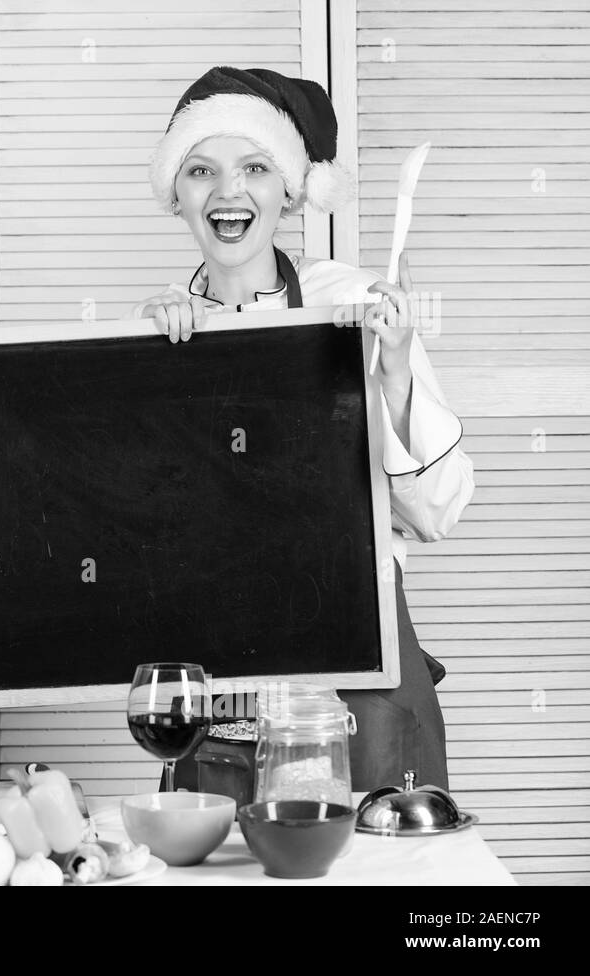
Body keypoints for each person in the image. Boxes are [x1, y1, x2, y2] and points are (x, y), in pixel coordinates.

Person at [134, 67, 474, 789]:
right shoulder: (157, 333)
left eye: (255, 168)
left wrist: (397, 370)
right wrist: (152, 381)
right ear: (177, 196)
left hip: (364, 675)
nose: (229, 192)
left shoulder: (351, 303)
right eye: (201, 170)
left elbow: (436, 512)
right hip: (220, 674)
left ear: (291, 189)